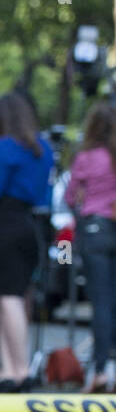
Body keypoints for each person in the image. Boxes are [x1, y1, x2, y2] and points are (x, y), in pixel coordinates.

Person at [0, 93, 54, 391]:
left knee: (8, 298)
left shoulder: (5, 146)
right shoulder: (43, 148)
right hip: (32, 225)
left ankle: (19, 369)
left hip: (5, 222)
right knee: (16, 295)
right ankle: (7, 369)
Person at [64, 101, 116, 392]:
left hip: (96, 230)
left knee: (102, 303)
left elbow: (71, 196)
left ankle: (100, 370)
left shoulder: (87, 157)